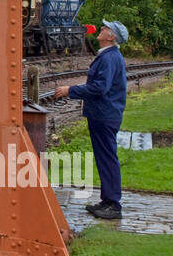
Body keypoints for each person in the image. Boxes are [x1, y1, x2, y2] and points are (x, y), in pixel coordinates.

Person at [55, 20, 129, 220]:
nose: (102, 29)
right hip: (104, 114)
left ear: (111, 37)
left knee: (107, 158)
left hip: (104, 115)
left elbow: (99, 88)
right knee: (105, 157)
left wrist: (70, 90)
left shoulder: (109, 58)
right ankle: (108, 201)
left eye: (106, 28)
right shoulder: (109, 56)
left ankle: (113, 204)